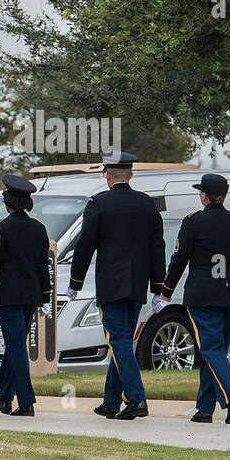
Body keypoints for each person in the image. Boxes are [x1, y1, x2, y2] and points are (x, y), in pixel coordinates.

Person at [158, 173, 230, 424]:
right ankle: (205, 409)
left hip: (203, 294)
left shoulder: (193, 222)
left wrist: (166, 291)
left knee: (211, 349)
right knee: (215, 350)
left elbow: (178, 260)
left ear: (204, 195)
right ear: (224, 196)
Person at [68, 151, 166, 420]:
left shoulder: (99, 203)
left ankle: (136, 399)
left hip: (111, 283)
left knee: (118, 340)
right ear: (131, 175)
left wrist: (75, 281)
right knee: (121, 341)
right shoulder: (148, 205)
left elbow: (85, 245)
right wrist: (159, 286)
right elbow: (158, 248)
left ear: (107, 175)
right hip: (137, 285)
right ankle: (111, 401)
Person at [0, 174, 53, 417]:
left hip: (10, 296)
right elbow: (42, 265)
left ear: (7, 201)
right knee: (15, 346)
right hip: (32, 296)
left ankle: (26, 402)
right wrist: (45, 297)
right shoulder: (39, 228)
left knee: (15, 348)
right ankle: (5, 398)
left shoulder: (2, 227)